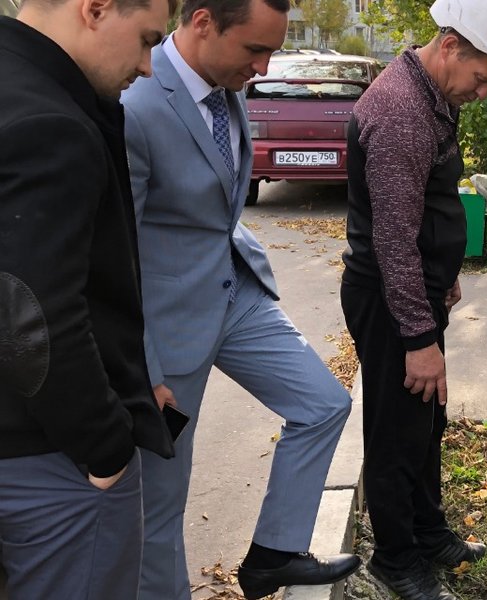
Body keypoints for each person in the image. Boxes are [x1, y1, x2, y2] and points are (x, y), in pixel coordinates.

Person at [121, 0, 358, 597]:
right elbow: (116, 252)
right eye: (255, 49)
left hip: (235, 296)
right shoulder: (137, 102)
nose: (266, 64)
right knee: (161, 506)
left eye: (272, 49)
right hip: (168, 330)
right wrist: (141, 367)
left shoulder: (227, 85)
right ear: (202, 21)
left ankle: (274, 554)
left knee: (324, 403)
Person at [340, 0, 487, 598]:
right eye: (481, 79)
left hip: (416, 293)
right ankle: (396, 561)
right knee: (397, 434)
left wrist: (442, 271)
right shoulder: (401, 111)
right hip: (391, 302)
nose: (482, 93)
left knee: (425, 425)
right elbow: (394, 240)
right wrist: (419, 339)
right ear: (451, 44)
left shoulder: (433, 96)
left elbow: (422, 206)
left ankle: (428, 533)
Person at [0, 0, 174, 596]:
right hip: (48, 460)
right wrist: (106, 447)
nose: (150, 67)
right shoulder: (53, 123)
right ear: (96, 9)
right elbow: (31, 316)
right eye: (148, 39)